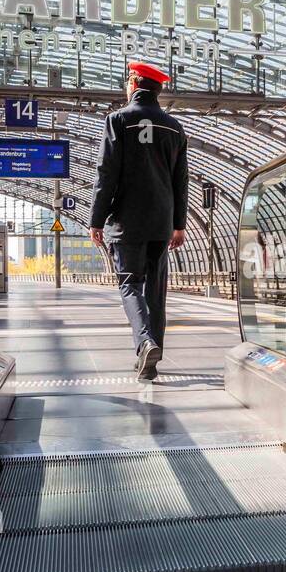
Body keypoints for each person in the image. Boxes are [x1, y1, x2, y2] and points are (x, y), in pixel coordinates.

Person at [89, 61, 188, 381]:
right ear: (157, 90)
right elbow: (180, 180)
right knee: (156, 292)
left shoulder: (118, 120)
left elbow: (107, 174)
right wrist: (179, 223)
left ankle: (145, 342)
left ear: (133, 83)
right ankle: (150, 363)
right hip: (161, 222)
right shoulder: (174, 127)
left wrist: (97, 219)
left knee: (130, 284)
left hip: (127, 221)